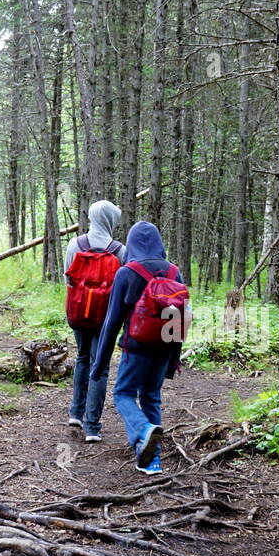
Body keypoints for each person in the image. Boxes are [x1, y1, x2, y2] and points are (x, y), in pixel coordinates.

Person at [90, 221, 189, 474]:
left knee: (122, 394)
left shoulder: (126, 272)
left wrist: (99, 364)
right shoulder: (173, 272)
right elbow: (180, 319)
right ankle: (152, 462)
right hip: (164, 346)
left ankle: (143, 430)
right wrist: (173, 360)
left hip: (135, 348)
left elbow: (111, 321)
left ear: (131, 243)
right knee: (151, 397)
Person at [64, 199, 125, 442]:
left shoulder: (75, 244)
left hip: (78, 314)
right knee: (99, 368)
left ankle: (75, 413)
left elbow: (67, 279)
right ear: (111, 220)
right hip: (106, 318)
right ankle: (93, 427)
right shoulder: (120, 250)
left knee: (82, 358)